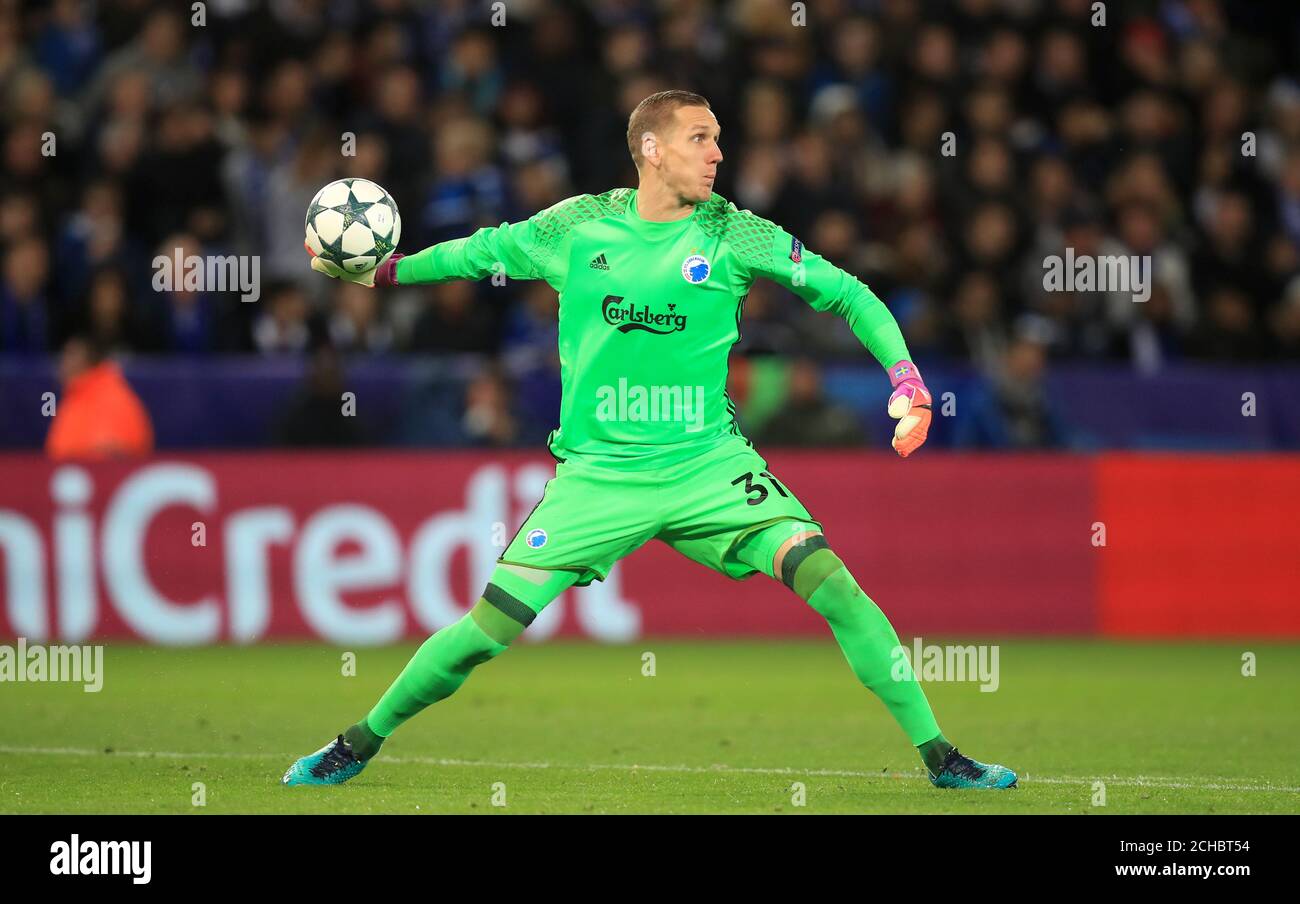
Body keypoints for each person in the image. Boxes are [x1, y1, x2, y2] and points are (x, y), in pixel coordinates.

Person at [286, 91, 1017, 791]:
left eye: (720, 140)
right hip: (599, 476)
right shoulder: (575, 227)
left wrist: (906, 377)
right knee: (483, 634)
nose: (717, 154)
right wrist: (385, 270)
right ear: (651, 148)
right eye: (702, 138)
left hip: (710, 465)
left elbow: (849, 292)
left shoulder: (736, 232)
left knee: (834, 586)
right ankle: (356, 742)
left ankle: (941, 757)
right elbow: (477, 253)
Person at [45, 335, 153, 460]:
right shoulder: (74, 396)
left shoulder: (112, 397)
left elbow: (112, 452)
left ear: (88, 362)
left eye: (70, 356)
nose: (63, 364)